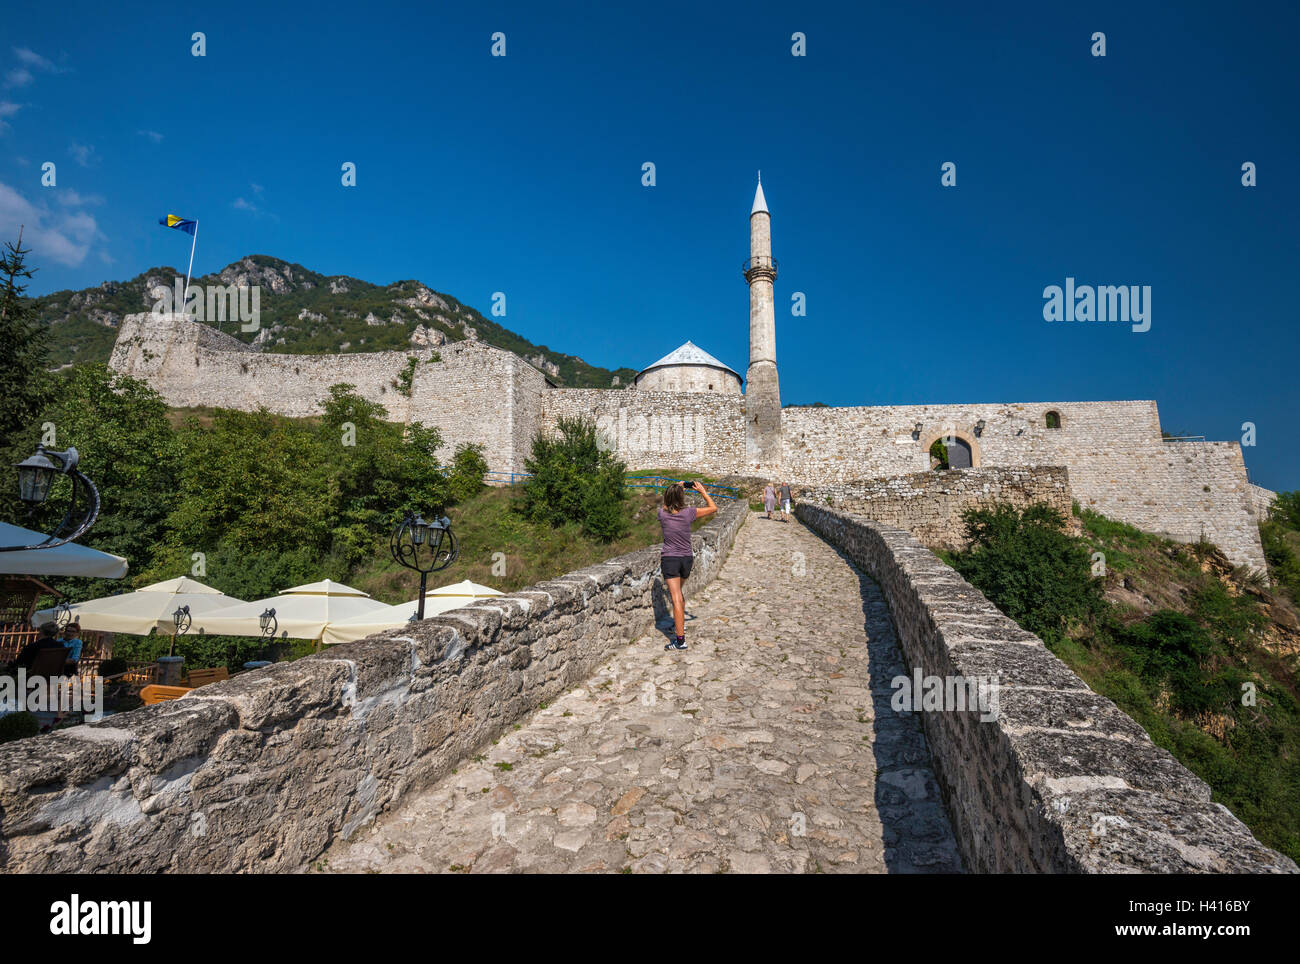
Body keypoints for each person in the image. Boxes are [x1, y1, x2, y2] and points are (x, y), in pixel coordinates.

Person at [659, 480, 717, 651]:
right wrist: (703, 492)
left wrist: (676, 487)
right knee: (679, 595)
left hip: (670, 558)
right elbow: (713, 508)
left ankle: (680, 641)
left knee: (676, 598)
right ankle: (680, 625)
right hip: (686, 558)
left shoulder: (662, 514)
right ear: (681, 497)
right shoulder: (689, 513)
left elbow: (665, 505)